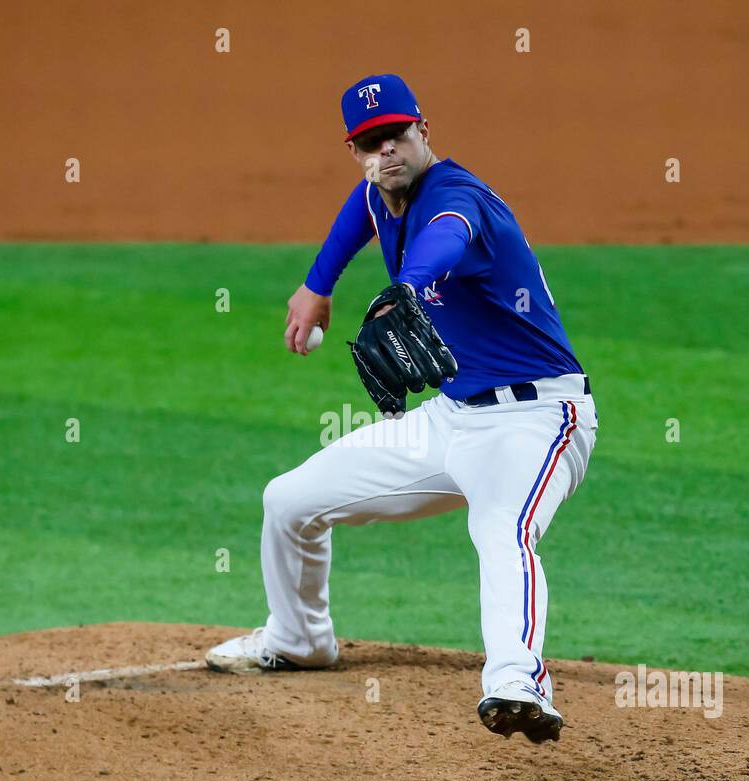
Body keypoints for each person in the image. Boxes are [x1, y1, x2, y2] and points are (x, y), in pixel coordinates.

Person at [205, 74, 597, 743]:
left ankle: (515, 683)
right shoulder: (381, 190)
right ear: (355, 151)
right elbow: (363, 208)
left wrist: (404, 288)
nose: (385, 152)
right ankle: (298, 639)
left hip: (536, 420)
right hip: (451, 420)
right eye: (368, 143)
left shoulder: (456, 197)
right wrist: (316, 285)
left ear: (424, 131)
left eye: (395, 135)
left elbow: (448, 235)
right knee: (289, 500)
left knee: (503, 531)